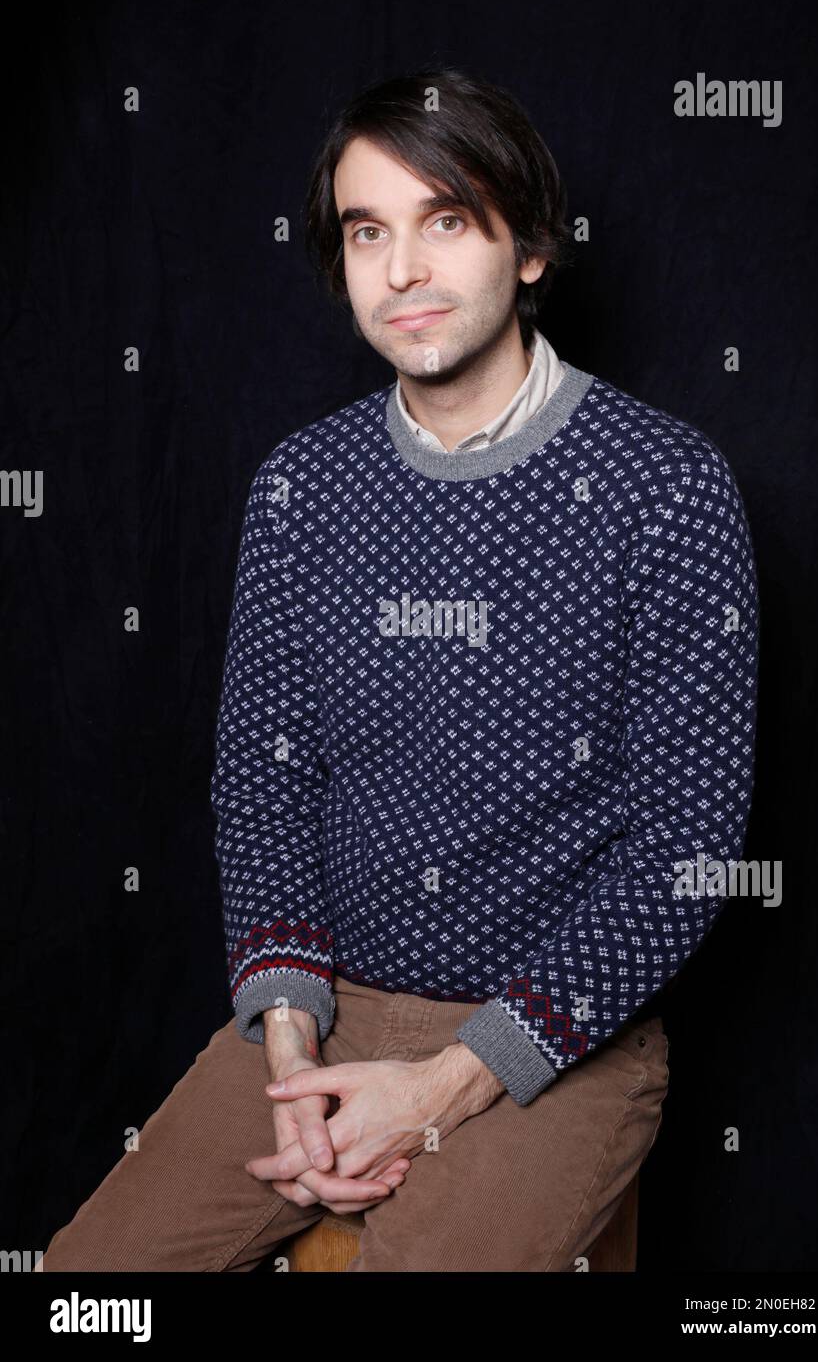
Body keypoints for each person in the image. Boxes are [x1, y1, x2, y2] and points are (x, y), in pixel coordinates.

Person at [40, 66, 758, 1273]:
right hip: (320, 1004)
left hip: (555, 1026)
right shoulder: (302, 487)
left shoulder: (663, 487)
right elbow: (263, 783)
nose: (403, 270)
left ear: (526, 245)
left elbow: (682, 847)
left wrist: (447, 1082)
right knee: (79, 1297)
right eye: (369, 230)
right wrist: (288, 1050)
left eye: (446, 221)